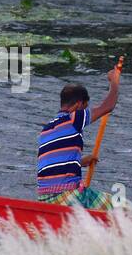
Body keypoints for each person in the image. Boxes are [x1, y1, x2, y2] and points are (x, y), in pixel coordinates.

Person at [36, 59, 123, 209]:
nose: (86, 111)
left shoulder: (46, 130)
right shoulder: (74, 117)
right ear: (78, 105)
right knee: (120, 203)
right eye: (85, 107)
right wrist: (114, 82)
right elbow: (108, 106)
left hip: (44, 198)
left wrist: (80, 162)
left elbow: (54, 164)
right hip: (68, 197)